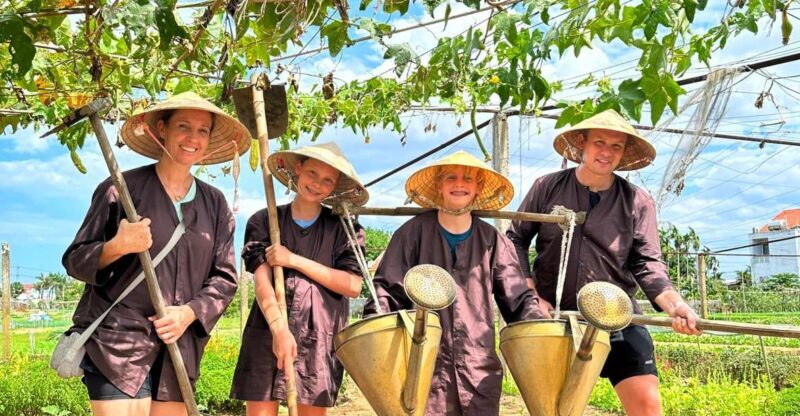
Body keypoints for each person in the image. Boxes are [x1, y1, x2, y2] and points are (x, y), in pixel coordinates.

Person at [63, 92, 250, 415]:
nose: (193, 138)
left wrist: (188, 313)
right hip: (119, 343)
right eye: (183, 126)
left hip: (179, 344)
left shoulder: (215, 204)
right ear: (162, 128)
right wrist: (117, 246)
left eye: (202, 130)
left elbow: (224, 279)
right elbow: (76, 259)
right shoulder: (121, 189)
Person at [506, 109, 702, 416]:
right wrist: (531, 295)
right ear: (582, 144)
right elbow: (515, 239)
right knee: (555, 408)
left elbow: (647, 264)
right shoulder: (547, 187)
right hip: (557, 316)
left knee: (647, 405)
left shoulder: (637, 201)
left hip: (617, 316)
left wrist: (675, 306)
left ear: (624, 154)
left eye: (616, 146)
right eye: (600, 142)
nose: (606, 152)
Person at [363, 151, 543, 415]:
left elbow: (517, 298)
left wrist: (539, 326)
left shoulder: (492, 240)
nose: (459, 184)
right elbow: (386, 292)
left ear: (478, 187)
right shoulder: (412, 234)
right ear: (439, 185)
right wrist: (375, 330)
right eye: (451, 177)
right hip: (424, 365)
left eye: (467, 178)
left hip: (477, 366)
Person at [231, 142, 369, 416]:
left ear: (335, 186)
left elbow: (353, 286)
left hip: (318, 339)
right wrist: (279, 329)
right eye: (312, 173)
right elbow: (261, 284)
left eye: (327, 180)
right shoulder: (265, 220)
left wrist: (292, 259)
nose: (317, 184)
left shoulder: (345, 227)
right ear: (298, 169)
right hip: (266, 332)